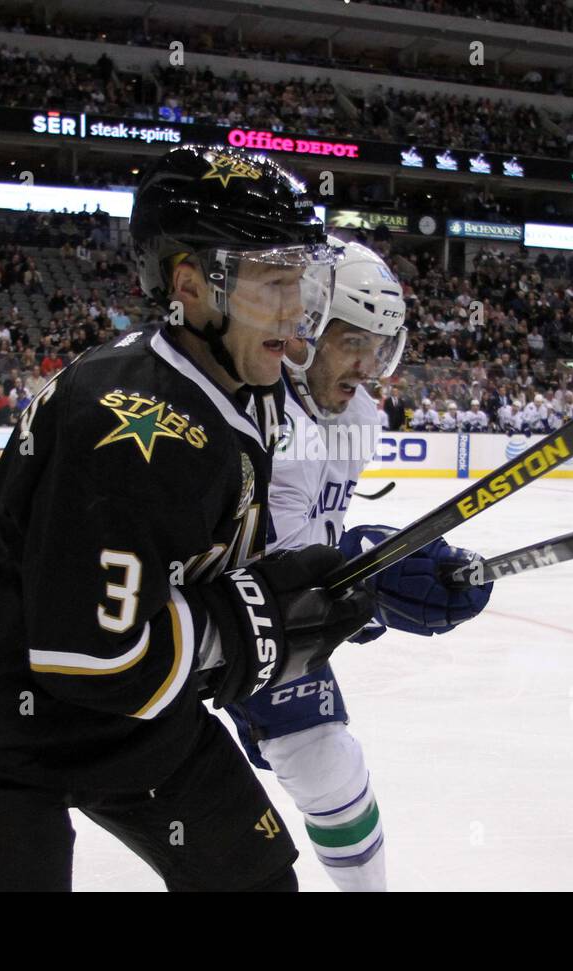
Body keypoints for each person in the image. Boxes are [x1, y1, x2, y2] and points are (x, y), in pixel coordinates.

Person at [0, 145, 374, 892]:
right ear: (191, 286)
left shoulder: (247, 381)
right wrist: (258, 622)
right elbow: (94, 655)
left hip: (128, 719)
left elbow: (201, 564)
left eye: (299, 281)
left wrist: (360, 569)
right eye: (273, 282)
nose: (294, 309)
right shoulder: (127, 427)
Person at [227, 239, 491, 890]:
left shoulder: (356, 413)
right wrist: (359, 570)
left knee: (329, 766)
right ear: (303, 330)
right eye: (353, 341)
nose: (369, 364)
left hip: (271, 619)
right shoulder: (249, 409)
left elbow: (321, 525)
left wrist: (370, 571)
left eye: (380, 344)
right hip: (199, 618)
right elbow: (255, 558)